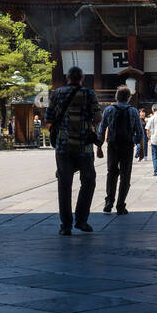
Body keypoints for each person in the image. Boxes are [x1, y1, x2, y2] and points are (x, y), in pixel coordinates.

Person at [45, 65, 102, 235]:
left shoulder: (57, 93)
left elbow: (49, 119)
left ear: (67, 78)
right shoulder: (89, 94)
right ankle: (82, 220)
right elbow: (98, 117)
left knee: (64, 184)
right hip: (84, 146)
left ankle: (66, 225)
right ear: (81, 79)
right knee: (89, 180)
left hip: (63, 147)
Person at [99, 86, 141, 215]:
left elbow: (102, 128)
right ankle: (120, 205)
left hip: (112, 145)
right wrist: (140, 147)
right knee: (125, 175)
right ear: (129, 97)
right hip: (127, 146)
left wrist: (99, 146)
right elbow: (139, 131)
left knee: (111, 173)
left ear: (116, 96)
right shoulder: (133, 111)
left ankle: (109, 201)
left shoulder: (109, 109)